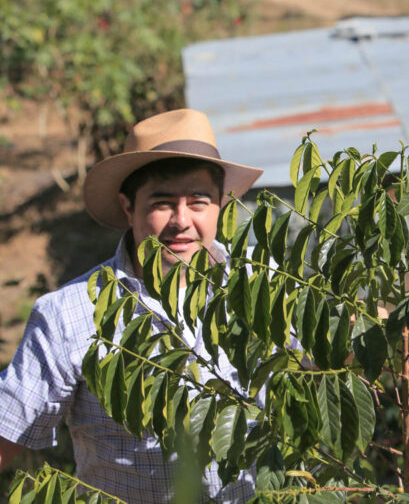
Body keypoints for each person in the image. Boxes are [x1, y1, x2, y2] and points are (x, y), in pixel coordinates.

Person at [0, 109, 264, 502]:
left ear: (221, 205)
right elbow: (8, 429)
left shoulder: (261, 288)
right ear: (128, 207)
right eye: (162, 203)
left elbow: (334, 350)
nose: (181, 221)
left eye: (198, 201)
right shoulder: (69, 315)